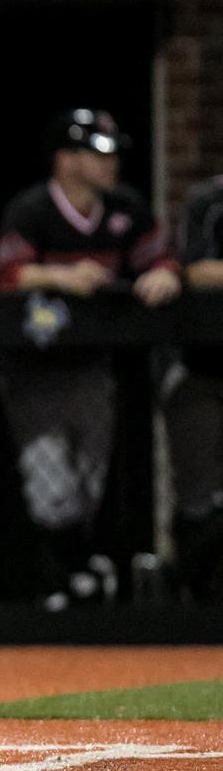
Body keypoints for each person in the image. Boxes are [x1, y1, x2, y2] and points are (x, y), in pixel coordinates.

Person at [0, 108, 180, 609]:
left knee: (89, 487)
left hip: (94, 368)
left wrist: (164, 272)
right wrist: (61, 276)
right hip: (34, 368)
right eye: (99, 153)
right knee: (50, 488)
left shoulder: (125, 207)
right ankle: (64, 579)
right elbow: (10, 273)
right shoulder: (31, 209)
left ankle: (79, 576)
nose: (111, 162)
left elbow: (161, 256)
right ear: (66, 159)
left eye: (112, 152)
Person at [162, 174, 223, 598]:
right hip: (203, 366)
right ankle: (191, 593)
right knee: (197, 497)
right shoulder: (210, 199)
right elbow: (197, 271)